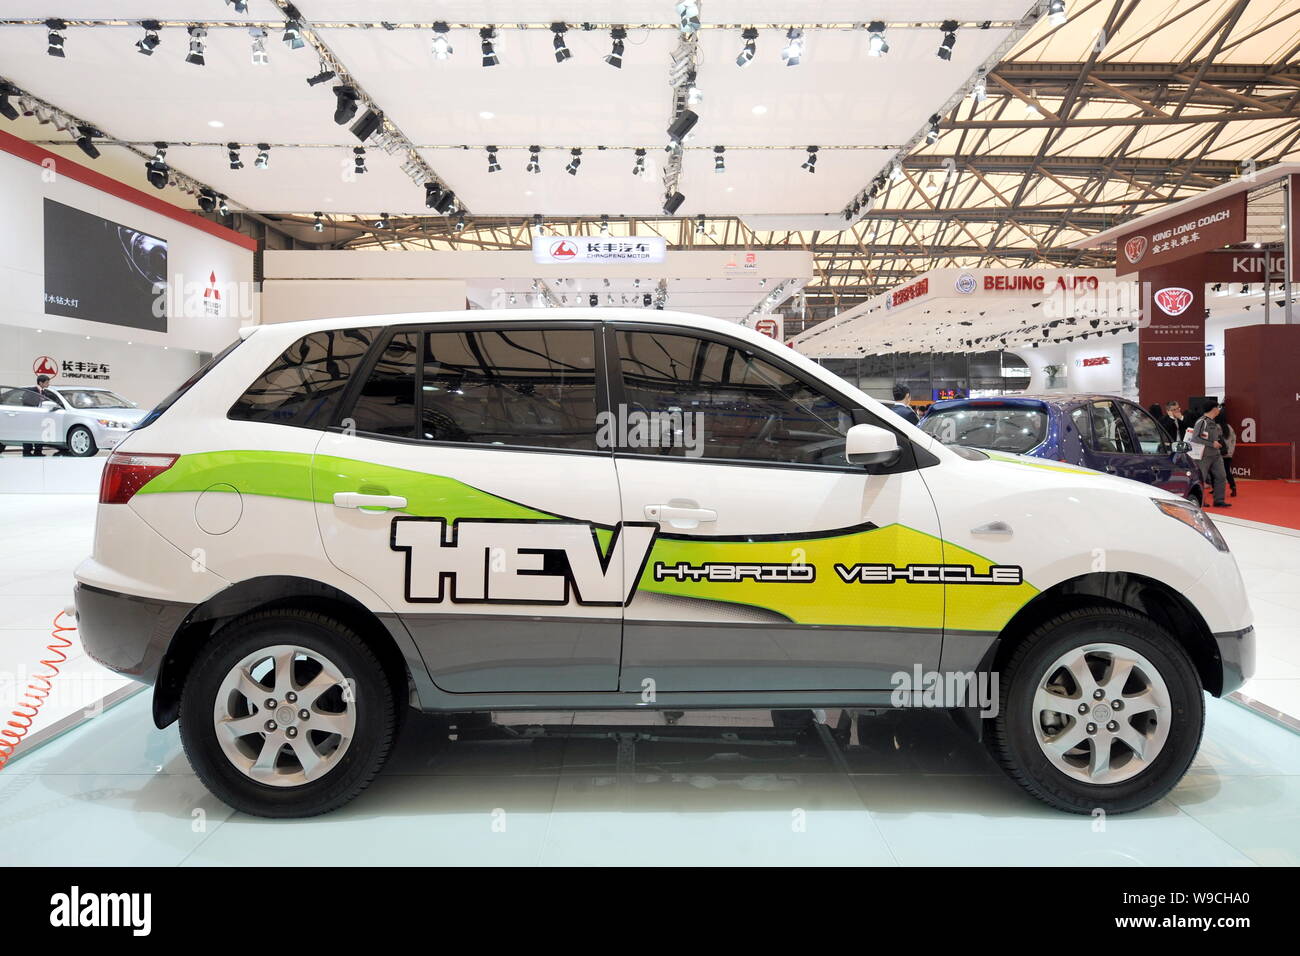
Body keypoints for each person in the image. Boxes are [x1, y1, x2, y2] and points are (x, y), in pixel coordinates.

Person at [1190, 401, 1230, 508]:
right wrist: (1212, 444)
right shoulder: (1202, 421)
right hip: (1204, 456)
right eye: (1218, 407)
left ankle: (1219, 500)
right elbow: (1195, 438)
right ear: (1214, 409)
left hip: (1216, 455)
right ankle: (1201, 500)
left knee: (1221, 476)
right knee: (1201, 478)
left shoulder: (1212, 421)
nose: (1219, 410)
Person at [21, 374, 54, 457]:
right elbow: (26, 401)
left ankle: (38, 451)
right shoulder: (31, 390)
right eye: (47, 382)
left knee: (40, 433)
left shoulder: (45, 392)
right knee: (28, 434)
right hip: (30, 416)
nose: (48, 384)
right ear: (40, 383)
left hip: (40, 416)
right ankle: (27, 452)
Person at [1219, 404, 1238, 498]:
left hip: (1219, 454)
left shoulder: (1216, 427)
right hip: (1228, 454)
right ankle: (1233, 487)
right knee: (1227, 472)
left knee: (1216, 472)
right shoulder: (1229, 427)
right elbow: (1234, 439)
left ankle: (1216, 489)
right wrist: (1231, 451)